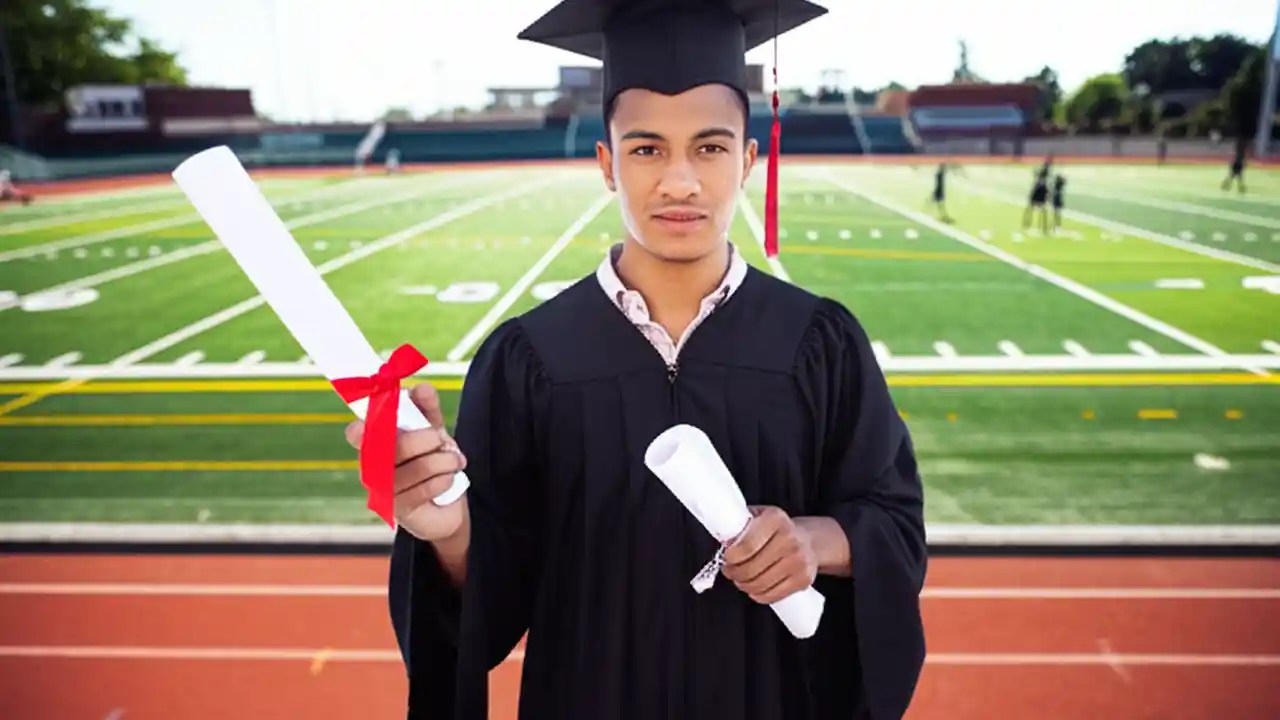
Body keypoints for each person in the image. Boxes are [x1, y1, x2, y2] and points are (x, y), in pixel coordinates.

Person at [346, 1, 927, 718]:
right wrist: (443, 528)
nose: (679, 182)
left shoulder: (819, 343)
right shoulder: (530, 358)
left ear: (749, 160)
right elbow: (492, 591)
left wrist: (813, 541)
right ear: (606, 164)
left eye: (710, 149)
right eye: (647, 149)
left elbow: (893, 524)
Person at [1023, 156, 1051, 233]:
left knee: (1032, 209)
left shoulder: (1040, 181)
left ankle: (1027, 223)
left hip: (1038, 194)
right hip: (1039, 194)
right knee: (1037, 210)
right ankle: (1029, 223)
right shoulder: (1041, 181)